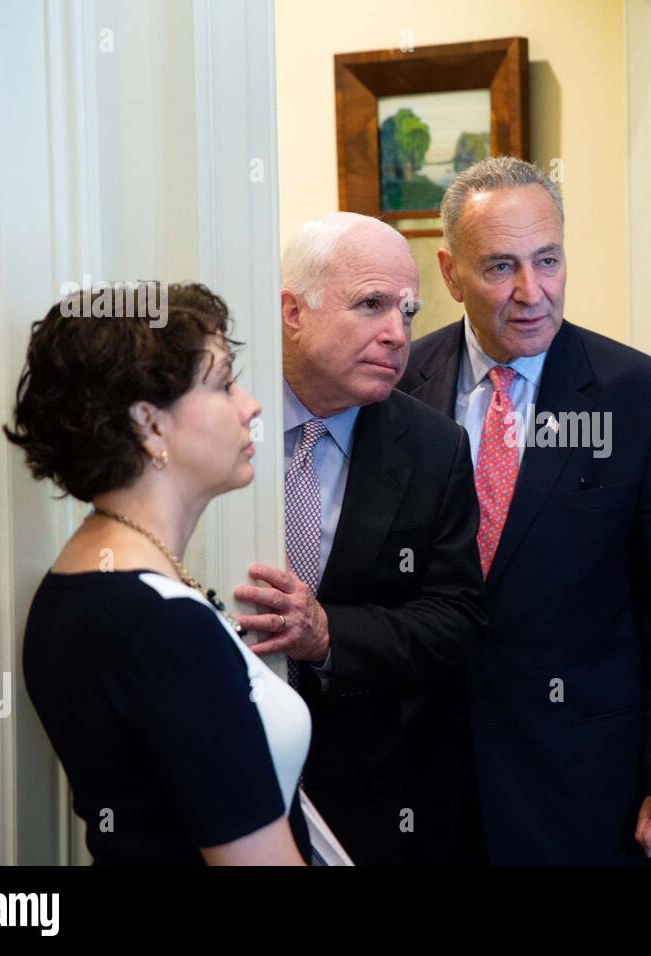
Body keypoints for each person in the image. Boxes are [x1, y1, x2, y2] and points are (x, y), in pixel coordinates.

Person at [398, 157, 651, 864]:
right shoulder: (396, 391)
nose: (531, 292)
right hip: (422, 787)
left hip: (582, 792)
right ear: (450, 274)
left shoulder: (642, 398)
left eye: (547, 261)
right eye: (499, 268)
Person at [7, 282, 309, 865]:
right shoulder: (158, 624)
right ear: (148, 422)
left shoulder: (83, 582)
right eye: (223, 384)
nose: (251, 404)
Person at [233, 213, 488, 865]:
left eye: (407, 311)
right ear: (293, 312)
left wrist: (329, 635)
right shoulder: (218, 422)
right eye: (371, 306)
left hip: (377, 801)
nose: (397, 334)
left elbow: (456, 619)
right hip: (224, 772)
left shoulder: (434, 446)